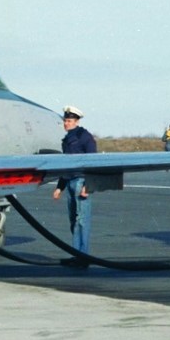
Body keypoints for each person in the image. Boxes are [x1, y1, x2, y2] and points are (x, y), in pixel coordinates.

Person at [52, 106, 98, 267]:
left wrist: (88, 185)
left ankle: (83, 256)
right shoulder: (67, 140)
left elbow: (93, 163)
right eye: (65, 120)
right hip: (70, 181)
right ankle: (76, 254)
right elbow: (65, 165)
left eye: (69, 121)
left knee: (81, 220)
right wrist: (60, 187)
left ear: (76, 121)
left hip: (81, 182)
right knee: (73, 220)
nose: (66, 123)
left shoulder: (85, 137)